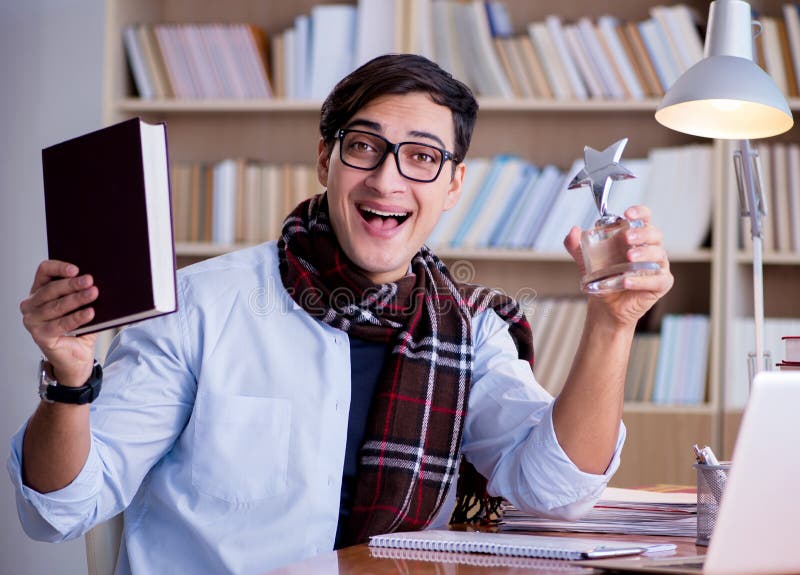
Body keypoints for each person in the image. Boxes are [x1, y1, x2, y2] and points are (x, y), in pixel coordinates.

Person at [10, 54, 673, 574]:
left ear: (452, 186)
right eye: (364, 147)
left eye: (421, 157)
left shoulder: (469, 328)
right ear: (326, 158)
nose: (387, 180)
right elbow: (62, 508)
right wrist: (69, 380)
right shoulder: (199, 306)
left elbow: (554, 488)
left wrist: (613, 323)